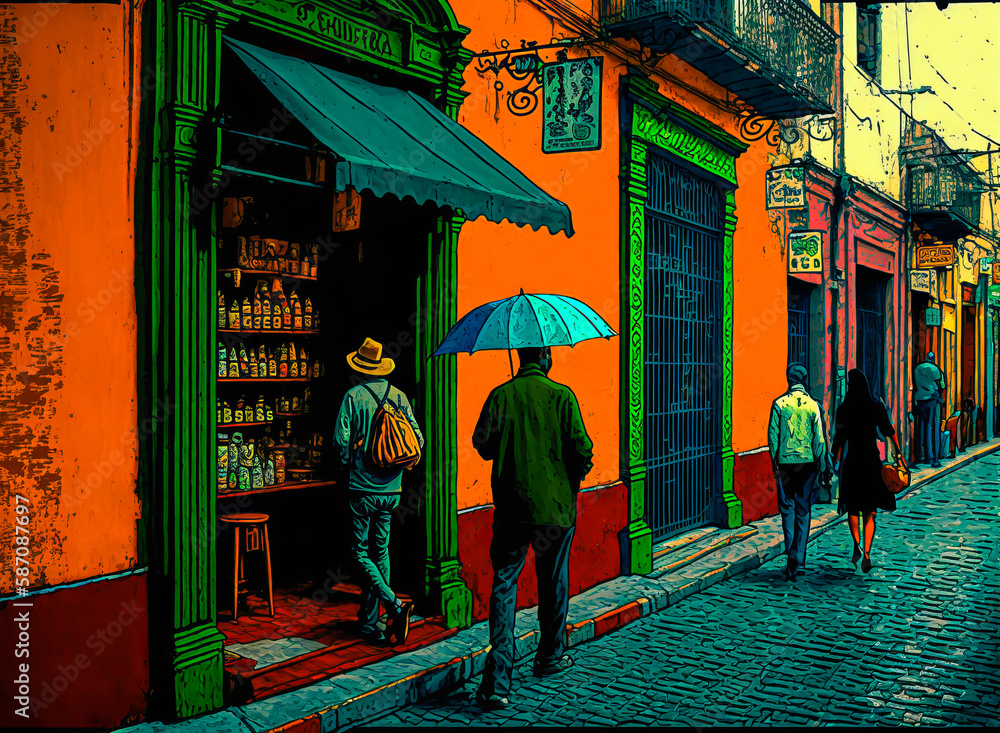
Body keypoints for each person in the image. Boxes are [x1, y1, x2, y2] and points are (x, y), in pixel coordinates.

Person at [472, 345, 593, 709]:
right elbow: (583, 450)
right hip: (555, 509)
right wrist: (569, 480)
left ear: (520, 358)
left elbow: (482, 445)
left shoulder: (500, 394)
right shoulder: (562, 396)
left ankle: (496, 682)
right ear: (546, 359)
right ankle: (549, 657)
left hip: (512, 508)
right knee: (553, 581)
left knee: (504, 585)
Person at [334, 337, 424, 645]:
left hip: (362, 487)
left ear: (360, 366)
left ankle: (394, 605)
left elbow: (341, 442)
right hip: (393, 488)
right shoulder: (398, 395)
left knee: (360, 552)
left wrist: (350, 464)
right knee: (380, 550)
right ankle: (369, 621)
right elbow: (418, 440)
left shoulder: (353, 396)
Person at [831, 369, 900, 574]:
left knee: (852, 509)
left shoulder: (844, 408)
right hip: (871, 462)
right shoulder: (876, 406)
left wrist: (833, 460)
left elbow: (839, 438)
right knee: (870, 511)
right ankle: (867, 553)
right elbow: (889, 431)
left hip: (852, 463)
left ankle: (856, 545)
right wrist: (899, 454)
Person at [767, 363, 831, 582]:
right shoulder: (813, 406)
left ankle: (790, 555)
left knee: (787, 509)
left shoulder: (779, 404)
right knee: (803, 510)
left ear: (788, 379)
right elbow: (819, 440)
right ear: (804, 380)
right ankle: (799, 558)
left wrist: (774, 462)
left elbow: (773, 438)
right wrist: (823, 465)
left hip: (785, 463)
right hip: (807, 464)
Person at [913, 351, 945, 468]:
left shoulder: (917, 369)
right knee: (934, 428)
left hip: (920, 400)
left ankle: (922, 456)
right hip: (932, 400)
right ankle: (934, 459)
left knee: (922, 427)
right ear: (933, 359)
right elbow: (942, 385)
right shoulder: (935, 369)